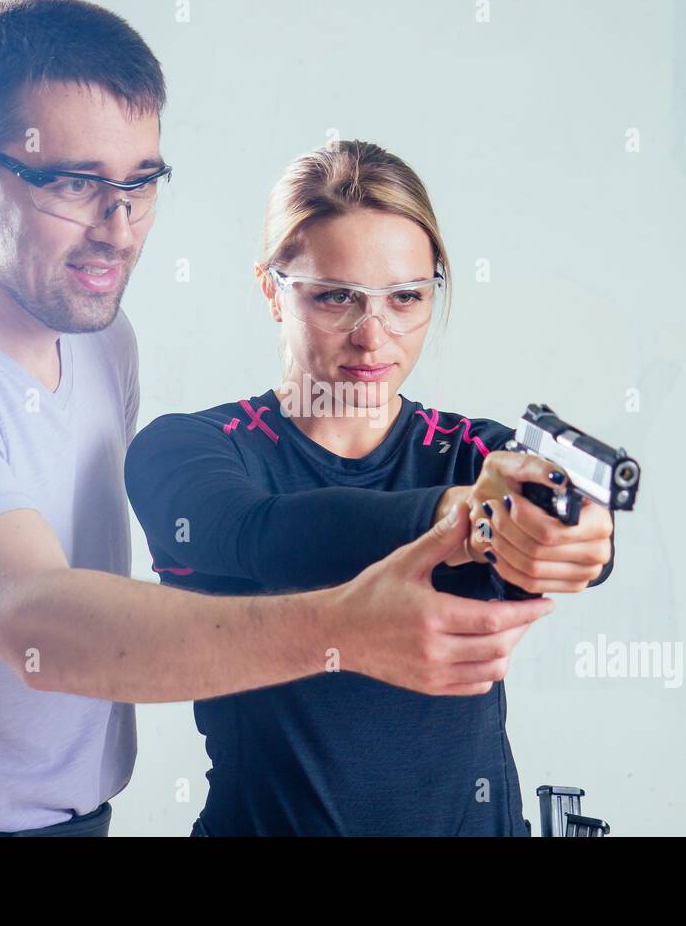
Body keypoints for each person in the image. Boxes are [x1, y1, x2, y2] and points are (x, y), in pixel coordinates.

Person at [0, 0, 551, 837]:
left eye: (140, 183)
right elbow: (39, 622)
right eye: (75, 183)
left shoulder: (103, 341)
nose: (119, 228)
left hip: (74, 821)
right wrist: (349, 631)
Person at [125, 140, 616, 836]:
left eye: (406, 298)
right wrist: (459, 514)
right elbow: (253, 533)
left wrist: (583, 535)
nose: (372, 336)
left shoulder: (480, 453)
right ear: (271, 290)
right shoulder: (192, 449)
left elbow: (566, 521)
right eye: (335, 298)